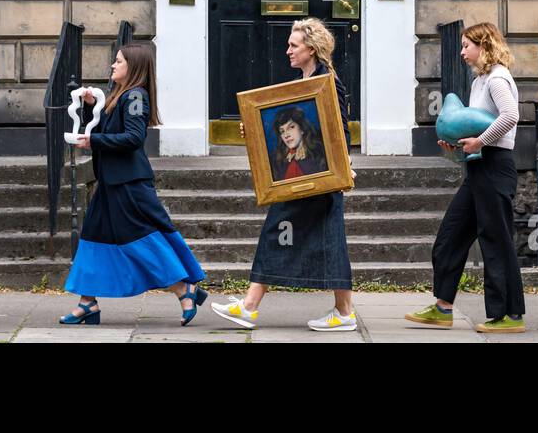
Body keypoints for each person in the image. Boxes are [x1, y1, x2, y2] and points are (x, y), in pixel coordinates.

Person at [213, 17, 357, 332]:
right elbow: (282, 132)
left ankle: (251, 307)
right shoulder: (304, 82)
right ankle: (342, 312)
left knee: (307, 237)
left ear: (312, 48)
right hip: (299, 177)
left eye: (293, 45)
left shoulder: (328, 82)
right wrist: (251, 128)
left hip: (317, 180)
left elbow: (339, 131)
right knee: (324, 240)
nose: (287, 50)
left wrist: (342, 169)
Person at [60, 42, 207, 326]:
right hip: (112, 182)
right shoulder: (120, 95)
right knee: (92, 239)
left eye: (118, 61)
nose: (113, 65)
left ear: (133, 67)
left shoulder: (136, 95)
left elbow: (133, 138)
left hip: (129, 184)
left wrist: (94, 141)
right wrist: (93, 107)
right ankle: (86, 302)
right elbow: (110, 130)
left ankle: (183, 288)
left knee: (139, 240)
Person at [405, 22, 526, 333]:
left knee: (495, 242)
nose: (461, 52)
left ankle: (508, 316)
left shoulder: (498, 77)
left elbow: (511, 117)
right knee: (451, 236)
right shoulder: (479, 81)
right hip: (477, 169)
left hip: (496, 167)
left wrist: (481, 141)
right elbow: (473, 132)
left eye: (466, 46)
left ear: (483, 46)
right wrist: (456, 148)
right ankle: (443, 307)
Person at [269, 106, 328, 181]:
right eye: (282, 131)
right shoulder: (277, 162)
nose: (286, 135)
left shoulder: (321, 153)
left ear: (302, 129)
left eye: (291, 127)